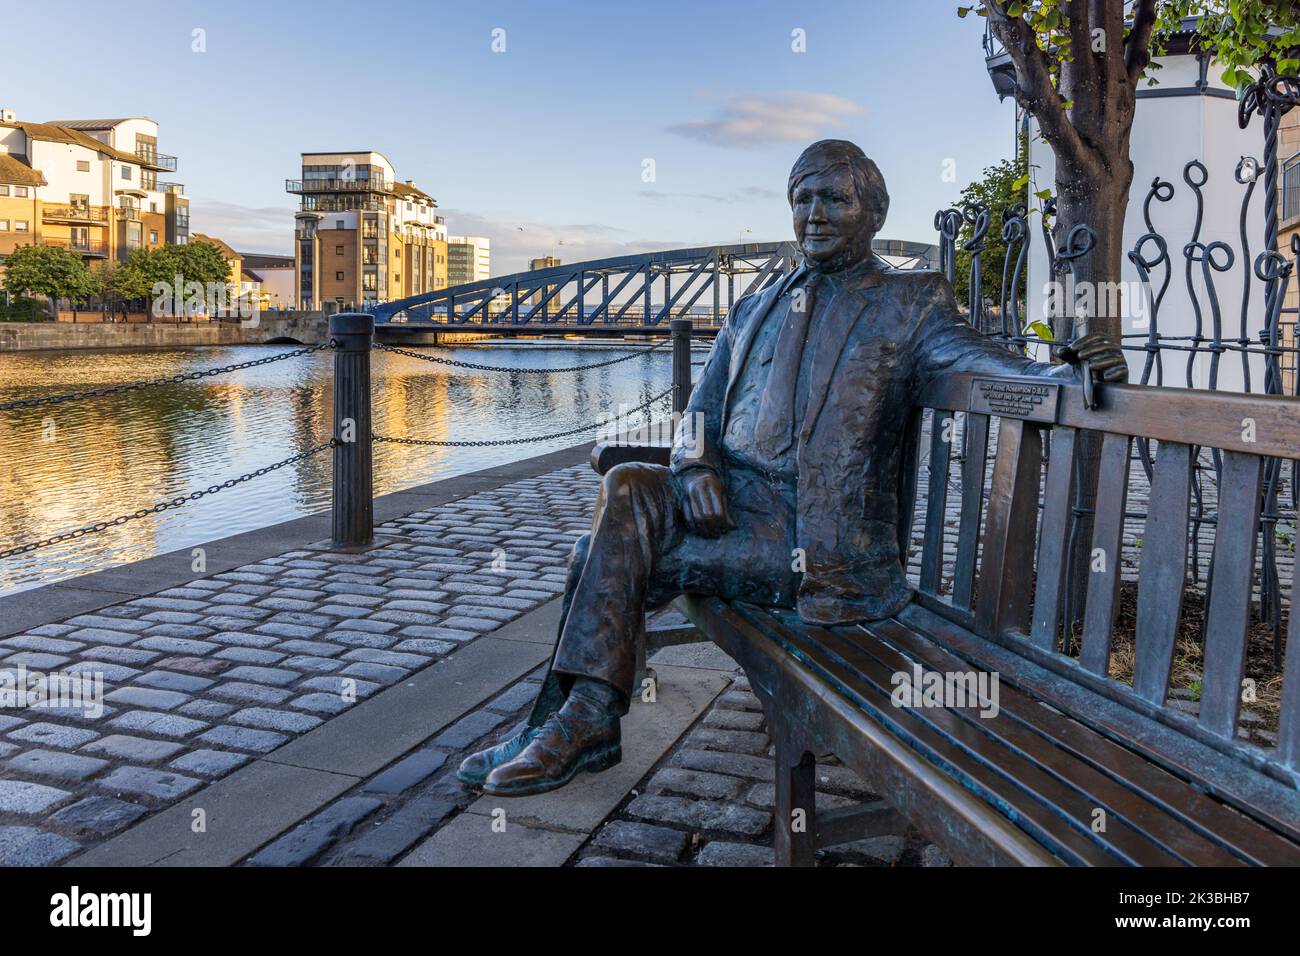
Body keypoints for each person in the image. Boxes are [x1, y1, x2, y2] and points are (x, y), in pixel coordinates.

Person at [457, 139, 1126, 797]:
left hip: (814, 547)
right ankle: (582, 720)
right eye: (803, 199)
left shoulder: (909, 300)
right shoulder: (756, 305)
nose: (815, 214)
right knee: (627, 487)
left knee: (597, 554)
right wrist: (695, 470)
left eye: (834, 198)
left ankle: (572, 722)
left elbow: (978, 360)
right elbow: (700, 411)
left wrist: (1060, 374)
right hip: (734, 515)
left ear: (873, 213)